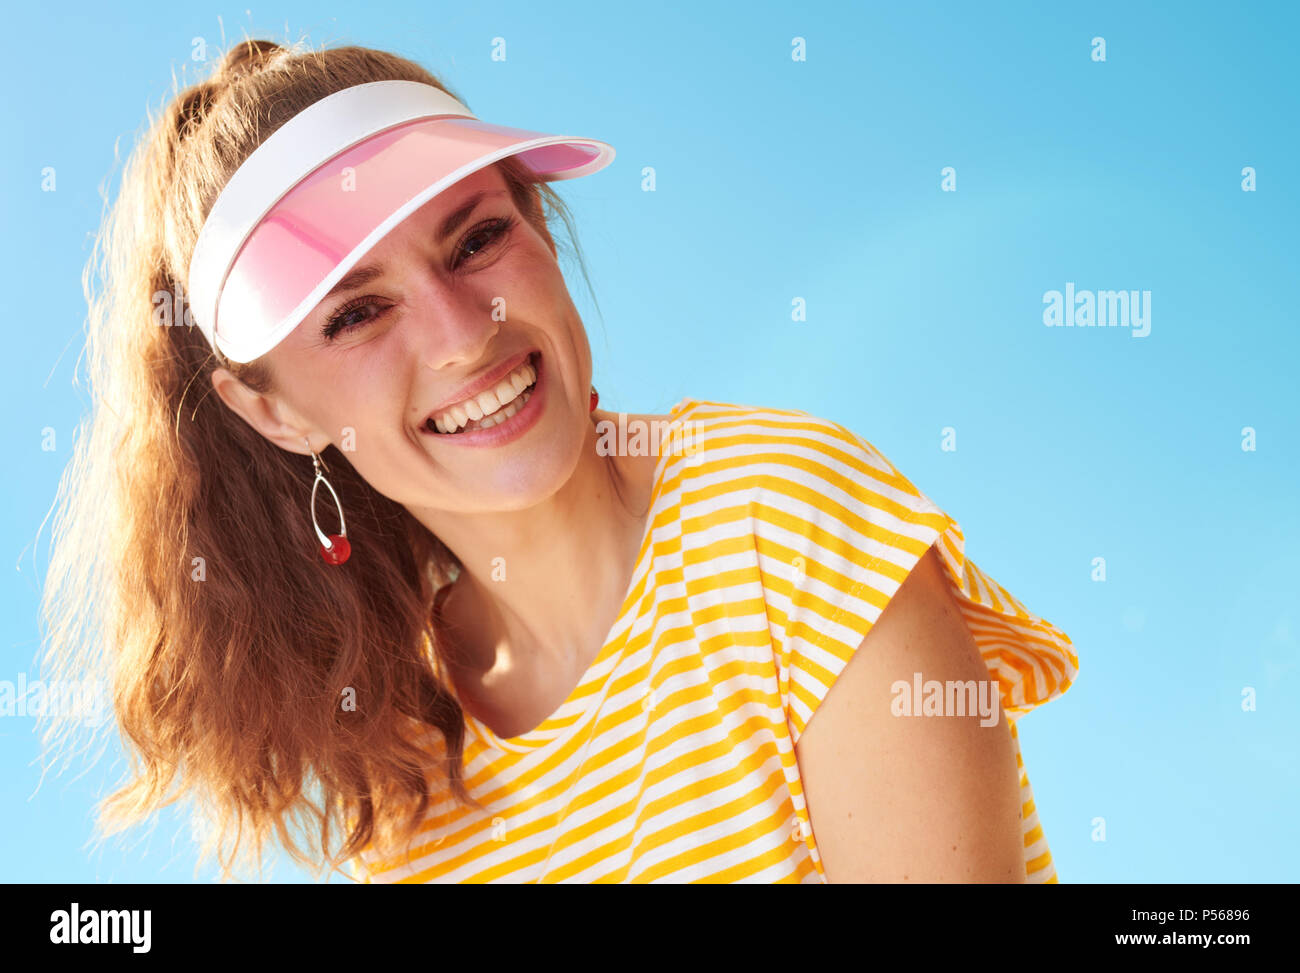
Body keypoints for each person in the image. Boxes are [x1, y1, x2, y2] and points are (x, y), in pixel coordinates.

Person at [39, 37, 1078, 884]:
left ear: (536, 222)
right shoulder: (406, 798)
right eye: (357, 312)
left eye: (475, 240)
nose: (459, 333)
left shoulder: (783, 517)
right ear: (271, 414)